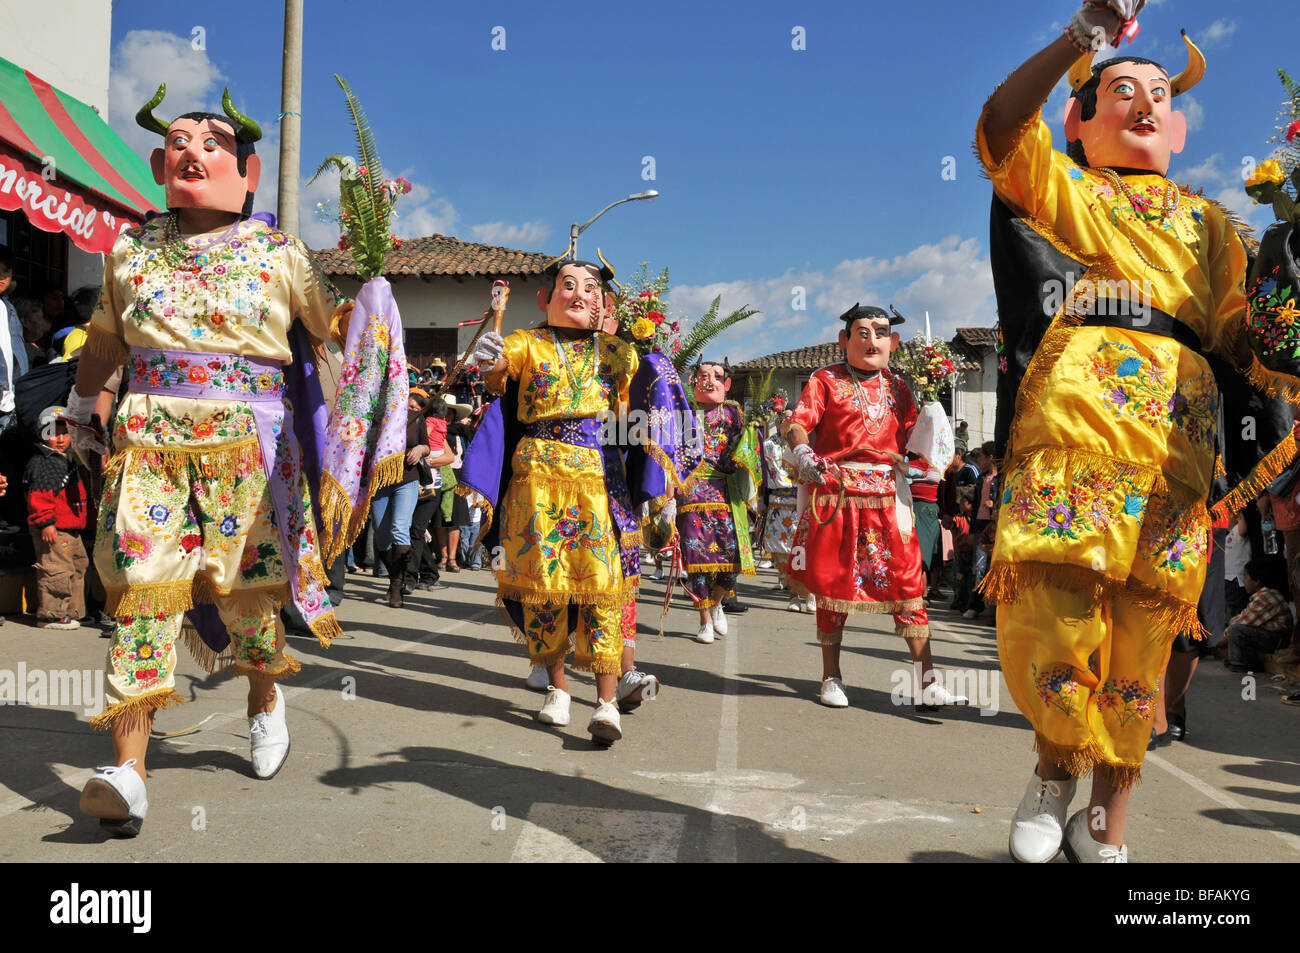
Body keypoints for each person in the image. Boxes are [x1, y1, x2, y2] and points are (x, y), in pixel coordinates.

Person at [977, 4, 1297, 862]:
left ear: (1182, 126)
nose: (1146, 104)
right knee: (1058, 604)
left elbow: (1257, 349)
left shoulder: (1217, 230)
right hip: (1076, 425)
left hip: (1177, 444)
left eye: (1161, 94)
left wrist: (1284, 277)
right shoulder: (1071, 191)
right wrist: (1081, 36)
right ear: (1082, 121)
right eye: (1122, 91)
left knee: (1143, 640)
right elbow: (1004, 129)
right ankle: (1053, 769)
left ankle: (1108, 831)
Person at [70, 87, 361, 837]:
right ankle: (128, 772)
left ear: (249, 169)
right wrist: (77, 413)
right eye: (176, 140)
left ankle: (264, 697)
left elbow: (329, 326)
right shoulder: (129, 251)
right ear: (162, 163)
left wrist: (374, 282)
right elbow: (104, 345)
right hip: (149, 444)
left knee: (247, 598)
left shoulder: (278, 251)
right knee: (143, 596)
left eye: (212, 140)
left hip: (250, 454)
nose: (191, 149)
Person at [783, 304, 968, 710]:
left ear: (893, 342)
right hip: (838, 492)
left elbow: (913, 435)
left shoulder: (900, 387)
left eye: (880, 333)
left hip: (889, 494)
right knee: (835, 586)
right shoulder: (824, 380)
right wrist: (803, 451)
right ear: (843, 340)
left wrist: (933, 421)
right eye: (862, 333)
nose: (871, 341)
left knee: (907, 583)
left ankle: (927, 681)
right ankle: (831, 677)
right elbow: (799, 421)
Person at [673, 360, 758, 643]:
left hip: (727, 492)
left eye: (717, 376)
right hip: (691, 491)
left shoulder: (735, 415)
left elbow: (747, 454)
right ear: (693, 380)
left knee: (732, 561)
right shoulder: (681, 414)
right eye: (703, 376)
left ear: (727, 384)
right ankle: (704, 620)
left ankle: (717, 602)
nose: (710, 381)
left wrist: (750, 493)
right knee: (697, 560)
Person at [24, 406, 89, 630]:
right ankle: (52, 615)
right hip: (54, 528)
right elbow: (39, 498)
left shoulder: (64, 459)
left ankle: (73, 611)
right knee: (56, 570)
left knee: (78, 567)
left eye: (65, 432)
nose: (60, 438)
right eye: (52, 433)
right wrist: (47, 523)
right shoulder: (45, 462)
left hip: (70, 529)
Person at [1225, 557, 1292, 672]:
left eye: (1246, 577)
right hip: (1272, 636)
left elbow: (1241, 621)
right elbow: (1243, 617)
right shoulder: (1264, 594)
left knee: (1236, 630)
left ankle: (1242, 664)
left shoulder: (1266, 597)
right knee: (1237, 629)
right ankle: (1245, 659)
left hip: (1277, 639)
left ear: (1257, 581)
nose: (1244, 581)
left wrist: (1223, 636)